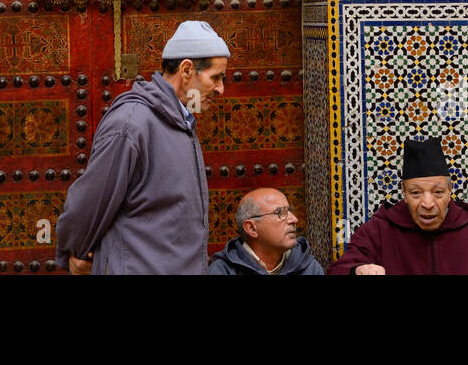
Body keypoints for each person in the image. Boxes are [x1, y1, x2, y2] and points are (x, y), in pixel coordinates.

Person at [55, 20, 228, 274]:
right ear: (187, 69)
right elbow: (91, 201)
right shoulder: (132, 123)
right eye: (216, 77)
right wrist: (77, 254)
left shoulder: (181, 120)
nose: (221, 89)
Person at [327, 137, 468, 275]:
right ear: (404, 193)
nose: (427, 204)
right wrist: (357, 270)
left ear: (450, 191)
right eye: (416, 193)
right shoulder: (379, 230)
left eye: (438, 192)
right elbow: (337, 271)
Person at [207, 188, 324, 275]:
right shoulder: (223, 270)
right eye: (280, 213)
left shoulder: (308, 267)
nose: (294, 219)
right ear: (251, 228)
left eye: (290, 211)